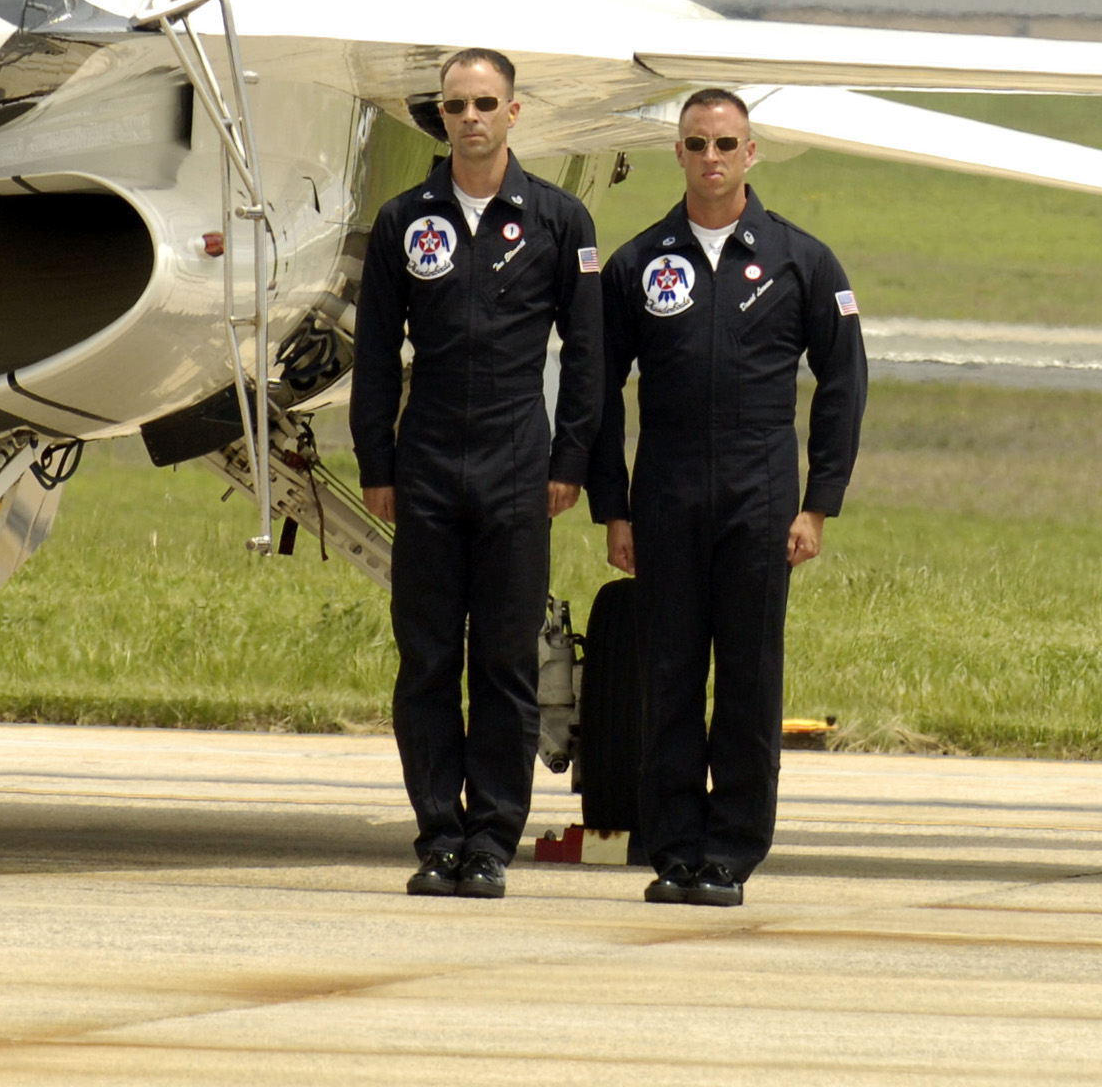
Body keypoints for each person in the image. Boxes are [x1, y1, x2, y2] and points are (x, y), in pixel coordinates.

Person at [590, 87, 867, 908]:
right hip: (666, 492)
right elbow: (599, 392)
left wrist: (818, 503)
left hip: (761, 494)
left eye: (725, 144)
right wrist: (615, 509)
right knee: (669, 676)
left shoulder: (799, 260)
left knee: (748, 679)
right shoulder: (640, 264)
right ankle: (674, 850)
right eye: (696, 143)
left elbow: (843, 382)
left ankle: (731, 854)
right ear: (676, 152)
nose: (710, 157)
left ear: (751, 153)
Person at [351, 48, 601, 899]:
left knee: (504, 663)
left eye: (486, 103)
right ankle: (438, 836)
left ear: (513, 112)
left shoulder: (559, 220)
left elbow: (589, 356)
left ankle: (492, 838)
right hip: (426, 463)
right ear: (442, 117)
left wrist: (569, 461)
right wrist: (377, 462)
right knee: (425, 661)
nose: (471, 118)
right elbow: (375, 353)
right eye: (457, 106)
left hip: (517, 463)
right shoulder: (404, 221)